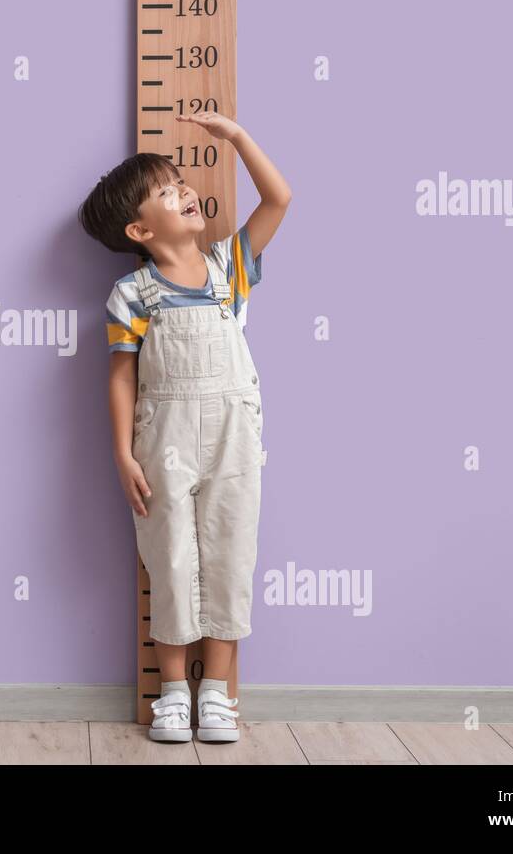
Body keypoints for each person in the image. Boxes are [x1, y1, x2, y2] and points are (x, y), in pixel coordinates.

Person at [78, 112, 291, 742]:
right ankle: (173, 692)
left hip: (233, 435)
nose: (186, 190)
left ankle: (217, 696)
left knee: (230, 552)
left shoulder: (232, 268)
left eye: (180, 181)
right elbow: (122, 376)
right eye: (167, 191)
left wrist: (237, 138)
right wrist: (122, 454)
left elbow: (279, 198)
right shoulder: (132, 294)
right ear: (141, 229)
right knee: (167, 557)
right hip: (161, 440)